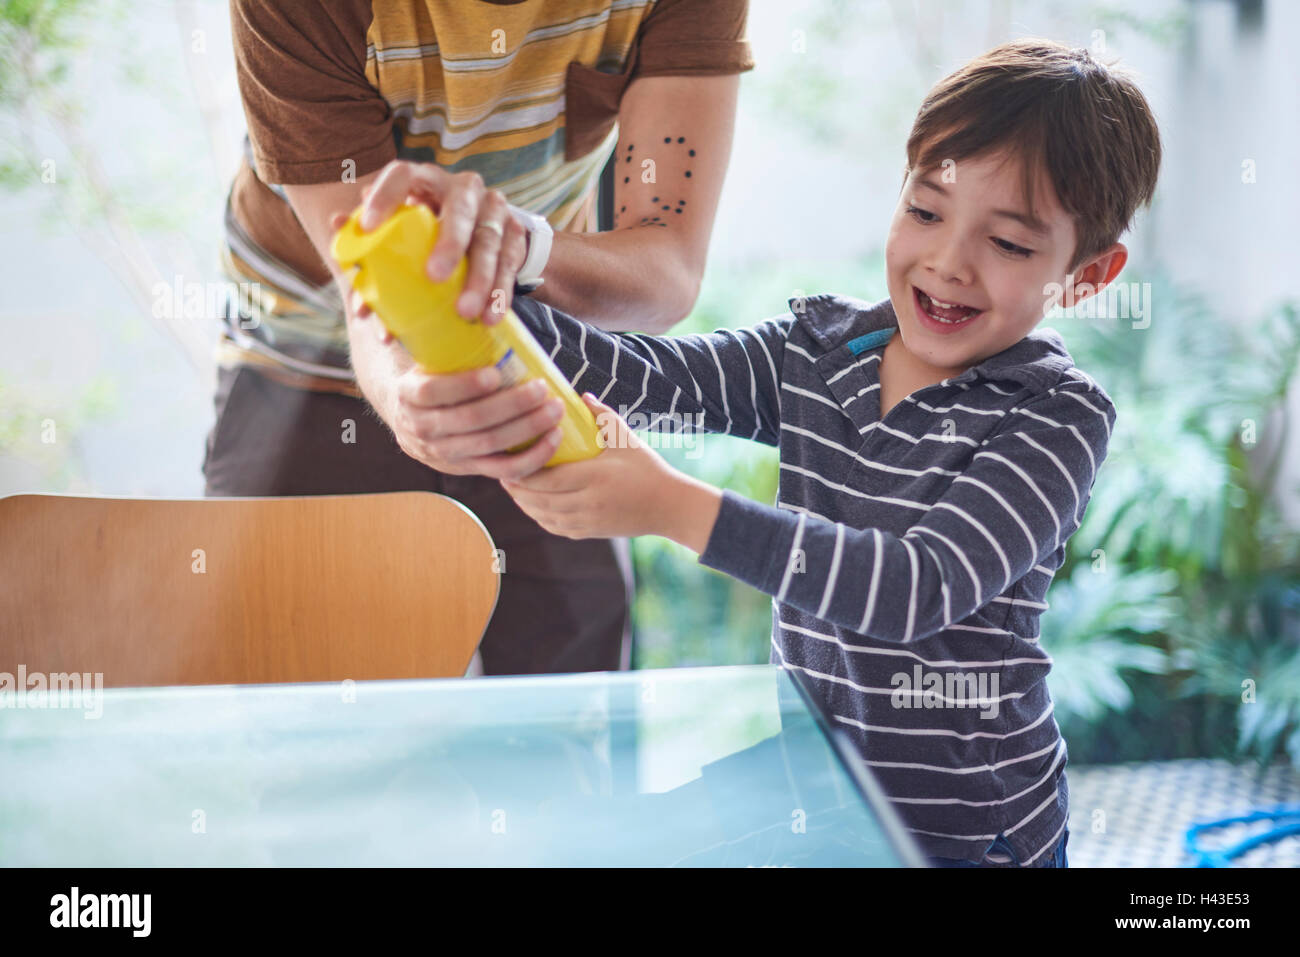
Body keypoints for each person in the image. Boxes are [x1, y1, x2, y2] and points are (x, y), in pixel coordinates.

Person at [393, 39, 1161, 866]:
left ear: (1085, 277)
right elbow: (650, 379)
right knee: (617, 841)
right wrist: (496, 267)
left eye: (1009, 244)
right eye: (927, 212)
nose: (948, 261)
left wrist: (671, 506)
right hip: (816, 779)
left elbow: (913, 588)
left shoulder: (1055, 417)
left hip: (968, 832)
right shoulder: (820, 349)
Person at [205, 1, 753, 675]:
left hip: (534, 340)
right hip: (302, 360)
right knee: (307, 723)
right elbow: (371, 282)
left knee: (571, 717)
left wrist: (526, 247)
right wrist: (409, 397)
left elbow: (667, 268)